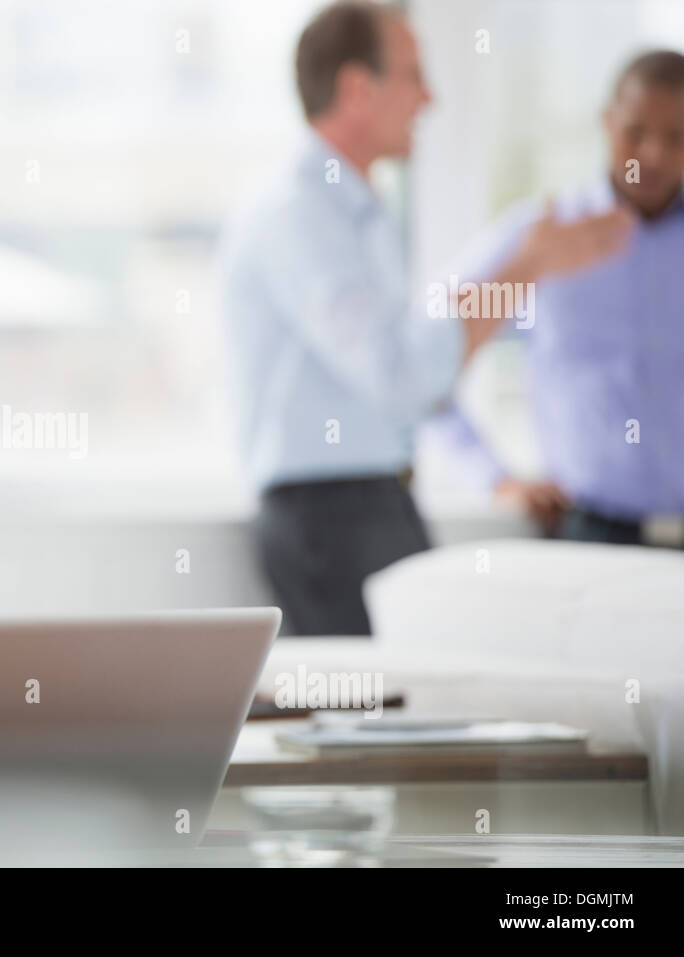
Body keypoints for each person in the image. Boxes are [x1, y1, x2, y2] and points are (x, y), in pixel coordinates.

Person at [215, 1, 634, 635]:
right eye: (414, 75)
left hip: (371, 505)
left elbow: (417, 385)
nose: (430, 98)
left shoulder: (359, 216)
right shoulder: (300, 216)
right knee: (378, 717)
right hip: (331, 516)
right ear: (358, 88)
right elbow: (400, 374)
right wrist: (524, 269)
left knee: (414, 710)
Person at [433, 50, 684, 549]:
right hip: (592, 535)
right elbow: (426, 356)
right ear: (608, 125)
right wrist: (493, 477)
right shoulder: (543, 237)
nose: (653, 154)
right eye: (636, 133)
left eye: (676, 137)